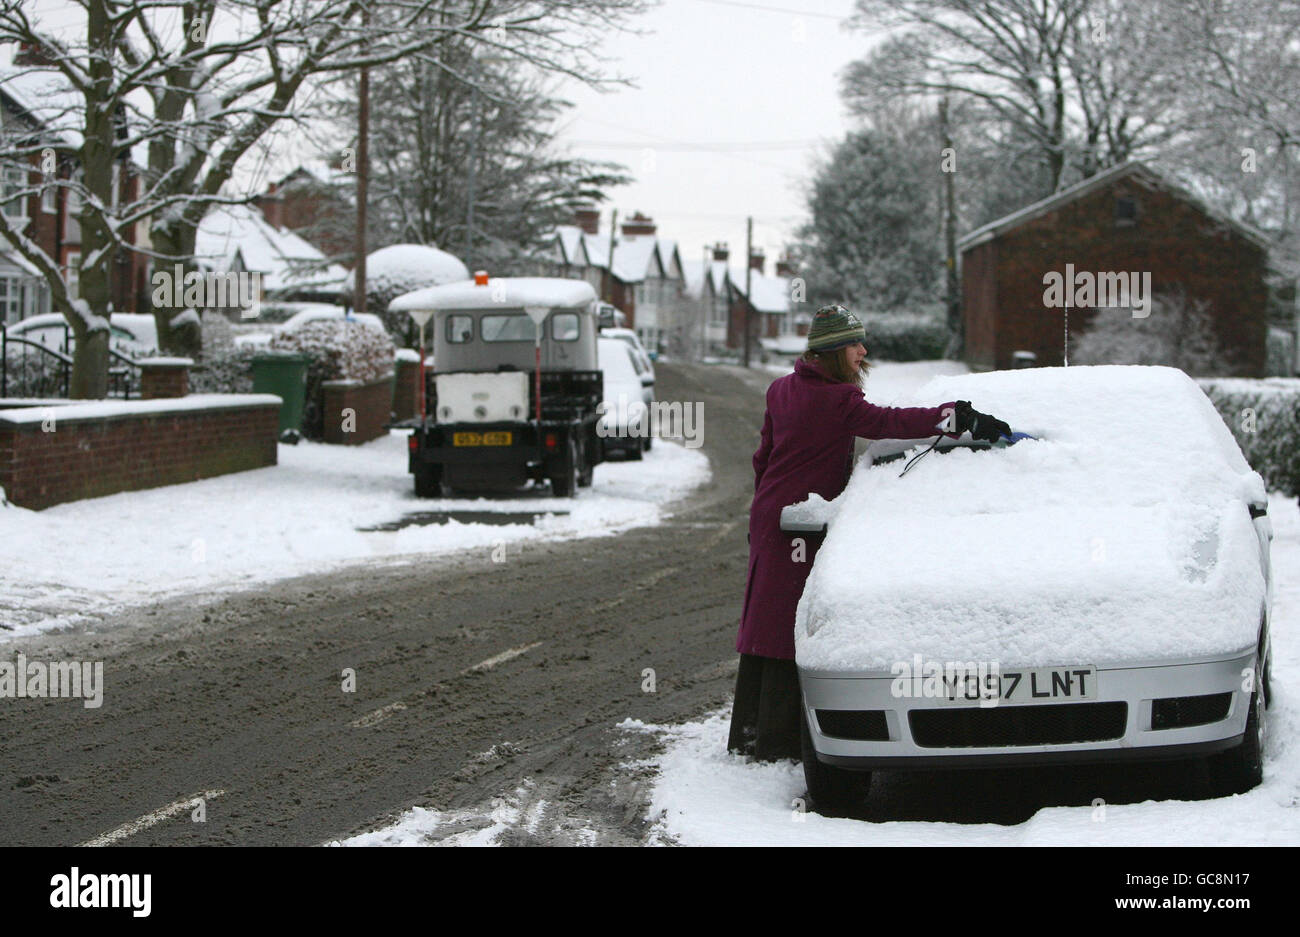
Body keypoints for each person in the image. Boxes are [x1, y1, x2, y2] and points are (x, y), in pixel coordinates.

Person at [726, 304, 1012, 761]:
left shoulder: (781, 389)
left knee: (768, 622)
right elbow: (888, 423)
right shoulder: (837, 400)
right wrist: (952, 417)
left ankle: (754, 733)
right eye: (855, 344)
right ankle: (779, 743)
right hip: (801, 521)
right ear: (834, 351)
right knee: (788, 627)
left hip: (773, 515)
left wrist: (765, 507)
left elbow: (763, 457)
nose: (863, 351)